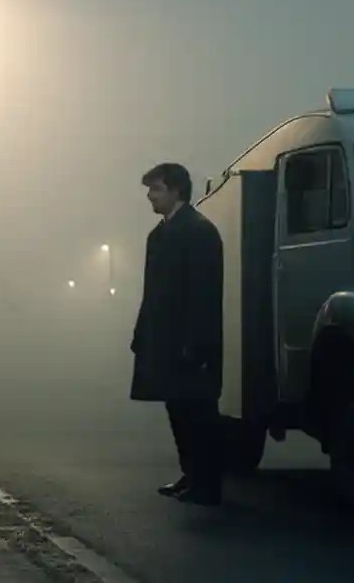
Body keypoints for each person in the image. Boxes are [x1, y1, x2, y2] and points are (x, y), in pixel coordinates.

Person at [130, 162, 225, 506]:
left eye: (155, 189)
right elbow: (152, 292)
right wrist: (142, 333)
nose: (150, 196)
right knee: (178, 410)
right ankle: (192, 475)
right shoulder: (160, 234)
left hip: (190, 342)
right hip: (166, 340)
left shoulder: (199, 231)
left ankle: (207, 484)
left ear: (176, 190)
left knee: (199, 413)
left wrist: (196, 343)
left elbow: (204, 294)